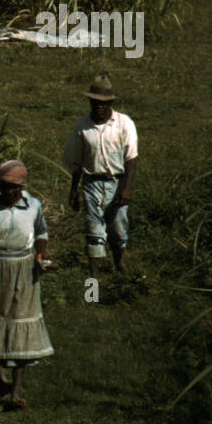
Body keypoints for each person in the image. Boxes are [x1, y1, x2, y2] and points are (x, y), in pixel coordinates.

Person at [0, 160, 55, 408]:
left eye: (13, 188)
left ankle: (16, 391)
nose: (7, 192)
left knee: (21, 321)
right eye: (3, 187)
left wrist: (41, 254)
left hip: (25, 271)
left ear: (21, 186)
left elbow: (41, 233)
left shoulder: (33, 206)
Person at [63, 74, 138, 278]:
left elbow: (131, 159)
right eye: (95, 103)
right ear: (90, 101)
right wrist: (73, 190)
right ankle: (94, 276)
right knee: (94, 230)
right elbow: (77, 163)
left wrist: (126, 188)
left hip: (116, 182)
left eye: (104, 103)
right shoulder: (82, 128)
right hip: (91, 184)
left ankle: (119, 262)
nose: (99, 107)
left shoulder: (124, 124)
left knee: (118, 230)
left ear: (110, 103)